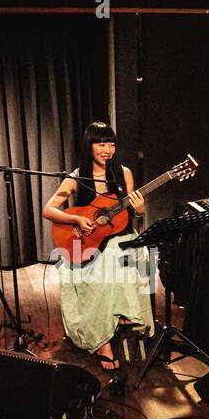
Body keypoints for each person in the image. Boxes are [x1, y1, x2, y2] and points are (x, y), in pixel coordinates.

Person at [42, 121, 154, 372]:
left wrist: (140, 208)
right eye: (101, 144)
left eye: (111, 144)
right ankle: (102, 341)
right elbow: (48, 209)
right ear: (89, 146)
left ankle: (125, 318)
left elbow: (135, 211)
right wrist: (76, 219)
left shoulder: (123, 173)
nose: (107, 150)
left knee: (128, 253)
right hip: (89, 242)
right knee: (109, 262)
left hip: (121, 236)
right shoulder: (77, 177)